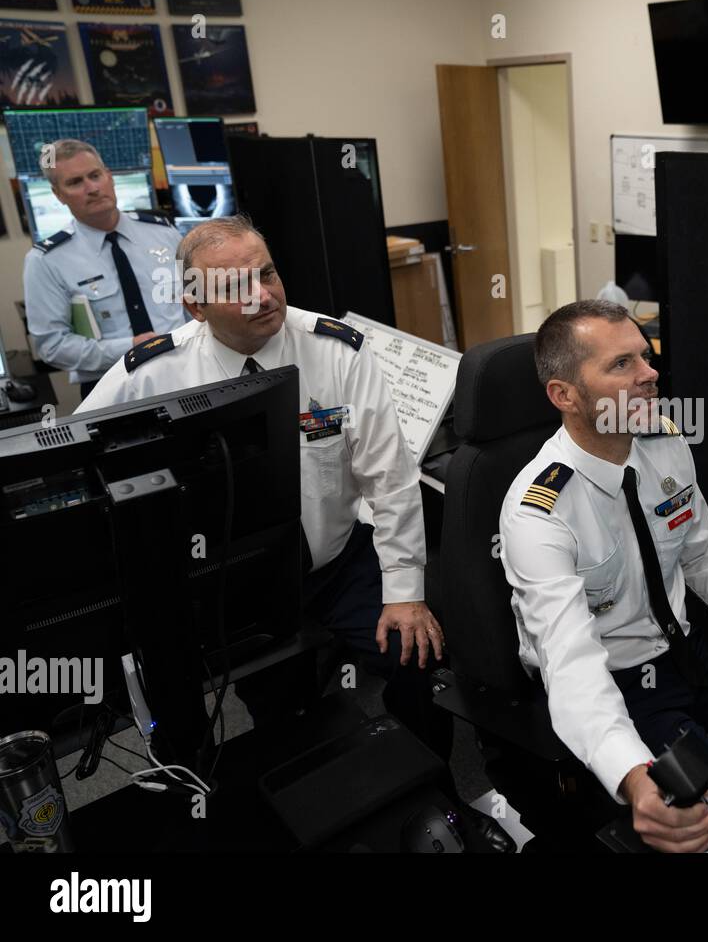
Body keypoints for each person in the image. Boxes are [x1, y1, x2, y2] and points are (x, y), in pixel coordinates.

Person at [78, 215, 512, 851]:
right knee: (283, 712)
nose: (262, 294)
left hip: (335, 562)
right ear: (195, 303)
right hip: (231, 583)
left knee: (417, 662)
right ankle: (320, 818)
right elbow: (74, 460)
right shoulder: (148, 376)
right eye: (236, 285)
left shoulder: (334, 350)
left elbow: (389, 480)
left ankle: (433, 800)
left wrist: (405, 592)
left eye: (268, 272)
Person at [499, 299, 708, 853]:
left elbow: (699, 555)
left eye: (645, 356)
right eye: (622, 365)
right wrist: (632, 776)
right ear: (564, 395)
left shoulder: (665, 440)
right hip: (619, 679)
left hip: (691, 649)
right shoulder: (537, 511)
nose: (651, 373)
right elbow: (571, 668)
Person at [23, 139, 186, 398]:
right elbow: (51, 346)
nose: (92, 188)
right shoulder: (46, 261)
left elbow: (197, 303)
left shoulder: (163, 233)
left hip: (185, 370)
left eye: (95, 175)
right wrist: (130, 348)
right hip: (112, 385)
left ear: (109, 177)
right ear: (58, 194)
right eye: (75, 182)